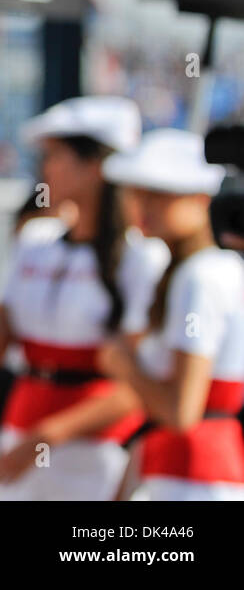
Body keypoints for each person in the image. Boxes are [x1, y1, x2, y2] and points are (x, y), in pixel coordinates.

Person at [0, 97, 170, 500]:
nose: (45, 170)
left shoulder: (143, 257)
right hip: (21, 428)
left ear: (96, 166)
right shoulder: (35, 241)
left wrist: (50, 434)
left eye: (55, 157)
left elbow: (145, 382)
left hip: (99, 446)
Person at [97, 129, 244, 500]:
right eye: (137, 191)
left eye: (161, 194)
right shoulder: (195, 270)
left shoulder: (201, 276)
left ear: (200, 199)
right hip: (182, 475)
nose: (143, 205)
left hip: (195, 480)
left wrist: (123, 365)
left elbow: (181, 412)